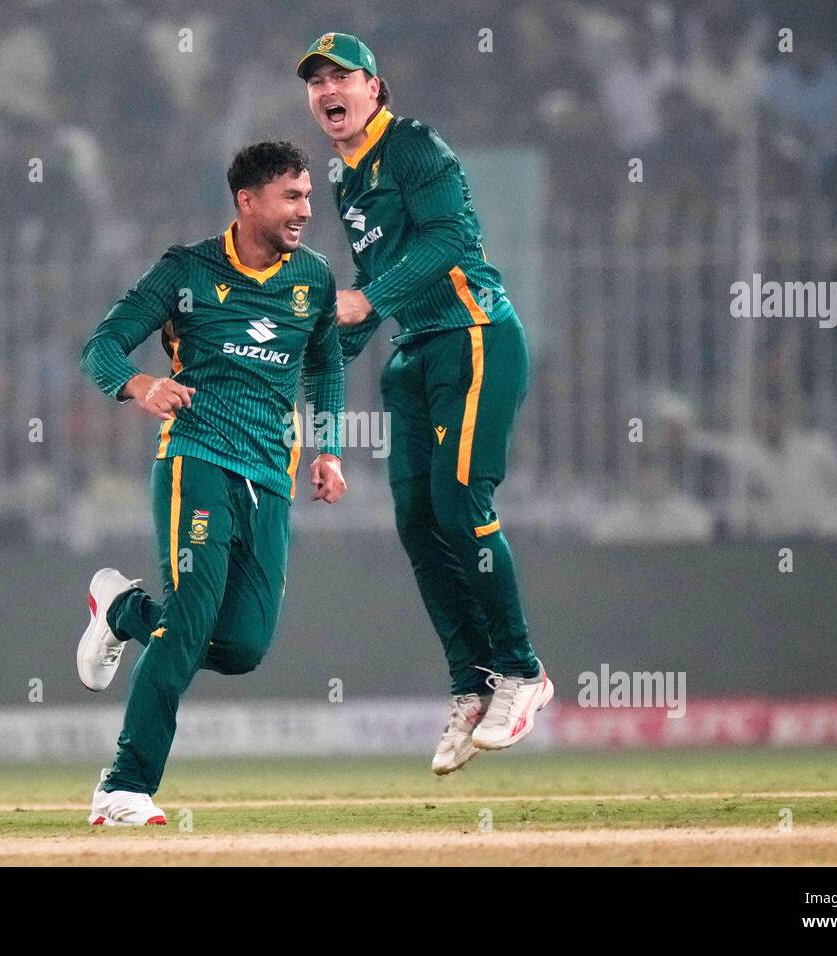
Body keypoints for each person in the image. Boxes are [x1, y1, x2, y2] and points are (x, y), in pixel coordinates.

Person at [297, 33, 551, 775]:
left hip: (473, 332)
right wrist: (316, 358)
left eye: (340, 75)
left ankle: (524, 672)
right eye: (315, 82)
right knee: (416, 518)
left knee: (457, 497)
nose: (326, 89)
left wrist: (367, 298)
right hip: (415, 354)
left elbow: (448, 240)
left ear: (375, 87)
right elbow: (370, 295)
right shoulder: (344, 178)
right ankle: (473, 683)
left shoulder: (413, 147)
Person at [76, 141, 346, 825]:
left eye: (309, 196)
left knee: (244, 648)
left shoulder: (312, 278)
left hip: (270, 477)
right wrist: (138, 384)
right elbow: (102, 346)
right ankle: (123, 789)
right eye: (291, 197)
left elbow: (326, 366)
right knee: (193, 616)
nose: (305, 211)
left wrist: (330, 449)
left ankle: (123, 612)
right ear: (247, 201)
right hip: (196, 459)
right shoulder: (184, 270)